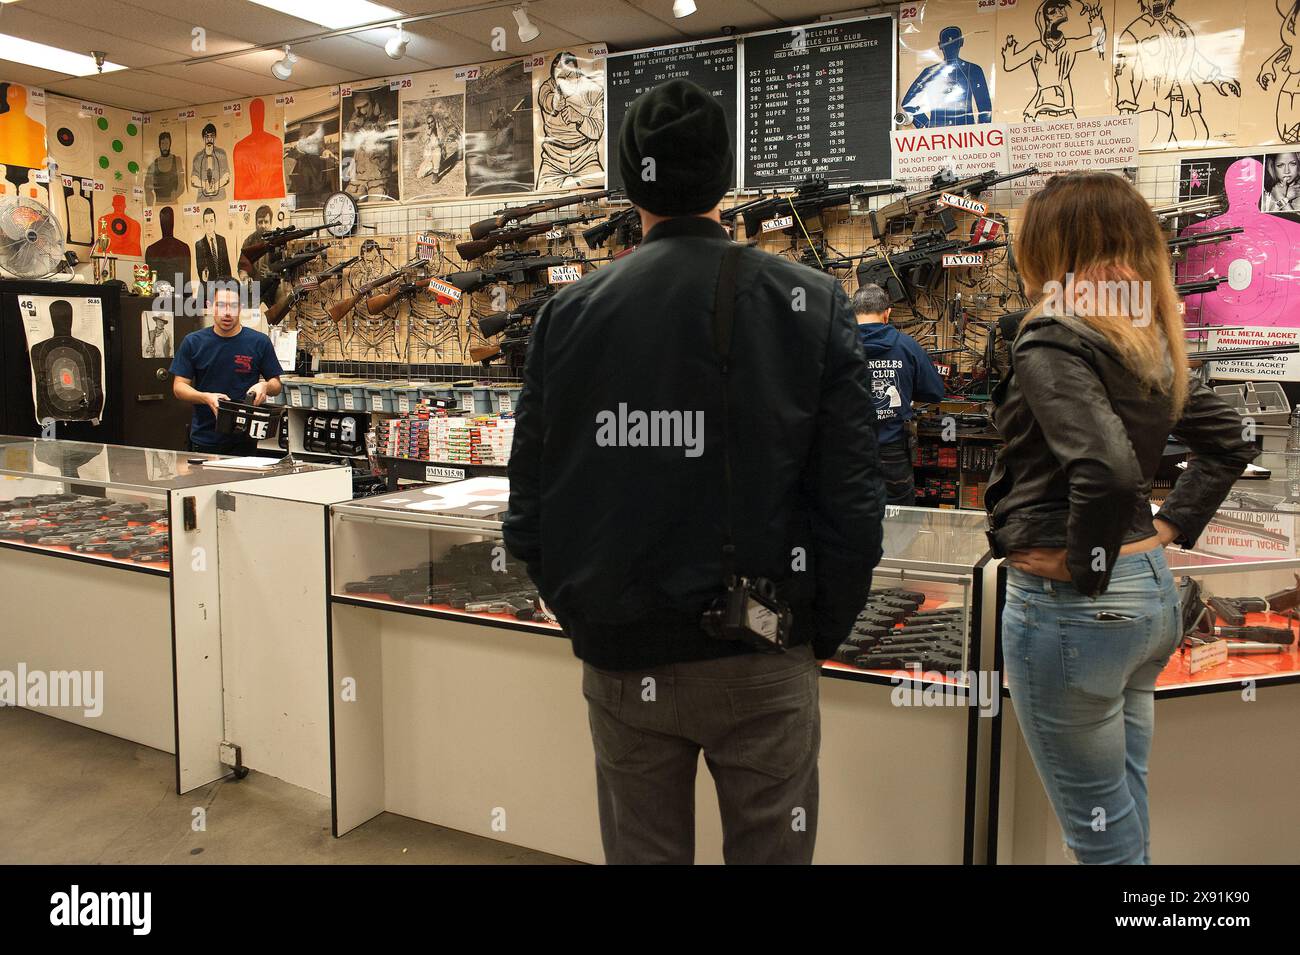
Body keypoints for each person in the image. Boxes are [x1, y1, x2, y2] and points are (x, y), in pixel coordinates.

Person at [503, 79, 886, 865]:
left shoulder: (566, 317)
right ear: (726, 177)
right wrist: (816, 635)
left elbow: (530, 511)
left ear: (628, 181)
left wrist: (591, 620)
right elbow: (854, 502)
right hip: (763, 653)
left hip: (623, 655)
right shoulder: (811, 302)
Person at [986, 172, 1257, 864]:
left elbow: (1105, 467)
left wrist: (1086, 564)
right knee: (1120, 812)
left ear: (1053, 246)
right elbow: (1229, 442)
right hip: (1147, 601)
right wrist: (1159, 534)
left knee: (1098, 833)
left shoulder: (1050, 333)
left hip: (1075, 610)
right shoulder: (1139, 337)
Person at [852, 283, 946, 506]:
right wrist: (906, 398)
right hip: (892, 452)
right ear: (887, 313)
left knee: (847, 519)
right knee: (900, 520)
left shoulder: (834, 346)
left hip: (847, 452)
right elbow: (935, 393)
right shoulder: (907, 346)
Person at [170, 278, 283, 454]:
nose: (227, 312)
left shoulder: (259, 342)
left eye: (233, 305)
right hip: (205, 439)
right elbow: (179, 387)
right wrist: (206, 397)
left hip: (245, 440)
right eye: (221, 305)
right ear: (210, 305)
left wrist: (265, 385)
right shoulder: (193, 342)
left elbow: (276, 385)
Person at [901, 26, 992, 127]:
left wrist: (981, 132)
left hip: (964, 132)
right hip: (939, 132)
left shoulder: (973, 70)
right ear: (940, 45)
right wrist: (925, 124)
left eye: (954, 42)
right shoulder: (930, 72)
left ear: (961, 42)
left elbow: (984, 106)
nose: (951, 46)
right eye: (947, 43)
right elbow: (908, 103)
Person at [191, 122, 230, 200]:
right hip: (203, 199)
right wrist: (204, 185)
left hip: (219, 198)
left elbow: (226, 176)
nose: (209, 139)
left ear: (215, 137)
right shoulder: (198, 157)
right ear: (203, 138)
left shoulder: (221, 154)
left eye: (211, 136)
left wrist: (215, 186)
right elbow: (193, 179)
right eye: (207, 136)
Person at [194, 207, 231, 287]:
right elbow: (199, 268)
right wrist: (204, 273)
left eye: (211, 221)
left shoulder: (222, 240)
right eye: (206, 221)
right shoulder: (199, 245)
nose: (209, 224)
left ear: (215, 222)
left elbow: (227, 265)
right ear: (203, 223)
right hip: (209, 287)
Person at [144, 131, 183, 205]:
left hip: (174, 204)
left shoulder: (177, 160)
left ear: (170, 144)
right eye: (162, 143)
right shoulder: (153, 165)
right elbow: (147, 189)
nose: (165, 147)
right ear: (159, 145)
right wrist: (150, 207)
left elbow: (182, 184)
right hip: (158, 204)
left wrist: (176, 194)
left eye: (167, 143)